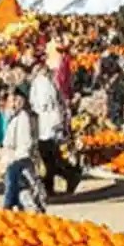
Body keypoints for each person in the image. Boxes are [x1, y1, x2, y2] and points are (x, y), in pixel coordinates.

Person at [30, 63, 81, 196]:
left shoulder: (42, 83)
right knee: (50, 157)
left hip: (46, 125)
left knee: (49, 156)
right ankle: (56, 181)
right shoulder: (45, 82)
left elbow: (43, 104)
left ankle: (67, 176)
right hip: (48, 124)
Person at [1, 89, 42, 212]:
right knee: (21, 188)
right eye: (12, 100)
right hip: (17, 158)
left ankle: (8, 209)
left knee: (14, 187)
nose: (14, 103)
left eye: (17, 99)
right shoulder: (16, 116)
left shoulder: (24, 117)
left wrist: (17, 158)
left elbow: (26, 142)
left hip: (19, 158)